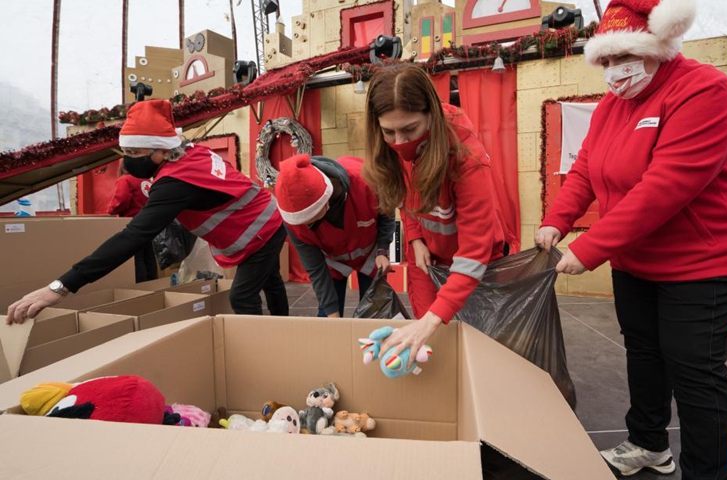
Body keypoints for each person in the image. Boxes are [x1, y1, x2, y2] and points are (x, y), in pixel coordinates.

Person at [534, 0, 727, 478]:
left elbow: (665, 188)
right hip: (637, 260)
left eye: (624, 56)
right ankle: (648, 444)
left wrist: (590, 247)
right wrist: (557, 220)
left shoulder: (705, 91)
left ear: (658, 46)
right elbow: (585, 172)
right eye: (607, 61)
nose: (616, 71)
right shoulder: (614, 107)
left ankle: (710, 470)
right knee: (645, 355)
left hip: (705, 261)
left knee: (696, 372)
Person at [7, 99, 288, 321]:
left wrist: (62, 286)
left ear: (161, 151)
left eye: (135, 154)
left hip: (259, 231)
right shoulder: (192, 152)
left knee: (242, 296)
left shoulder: (175, 182)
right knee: (271, 280)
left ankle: (263, 342)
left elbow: (134, 235)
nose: (128, 163)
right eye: (125, 154)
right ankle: (283, 326)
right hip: (265, 220)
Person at [361, 63, 506, 363]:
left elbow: (475, 252)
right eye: (389, 132)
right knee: (429, 346)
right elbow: (405, 197)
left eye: (410, 129)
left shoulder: (468, 159)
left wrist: (431, 320)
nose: (400, 143)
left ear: (431, 115)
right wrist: (414, 238)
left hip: (476, 266)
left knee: (474, 341)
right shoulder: (390, 147)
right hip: (428, 258)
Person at [274, 154, 395, 317]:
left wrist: (382, 250)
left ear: (325, 202)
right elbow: (315, 269)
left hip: (371, 258)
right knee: (328, 319)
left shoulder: (366, 181)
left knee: (373, 318)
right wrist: (332, 316)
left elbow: (387, 212)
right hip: (333, 263)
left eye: (310, 220)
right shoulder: (294, 219)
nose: (305, 226)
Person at [107, 163, 157, 283]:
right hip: (149, 222)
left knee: (136, 258)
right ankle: (153, 284)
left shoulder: (125, 180)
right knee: (149, 257)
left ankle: (140, 287)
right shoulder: (147, 181)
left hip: (132, 223)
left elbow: (121, 201)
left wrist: (110, 210)